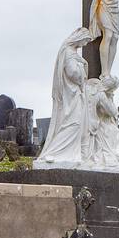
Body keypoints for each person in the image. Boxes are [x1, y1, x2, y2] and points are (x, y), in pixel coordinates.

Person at [36, 27, 91, 166]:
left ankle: (71, 153)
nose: (85, 44)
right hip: (71, 95)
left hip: (75, 93)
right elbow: (72, 72)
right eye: (85, 41)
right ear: (79, 39)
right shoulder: (69, 52)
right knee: (72, 123)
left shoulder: (72, 52)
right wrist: (82, 72)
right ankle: (56, 152)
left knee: (76, 124)